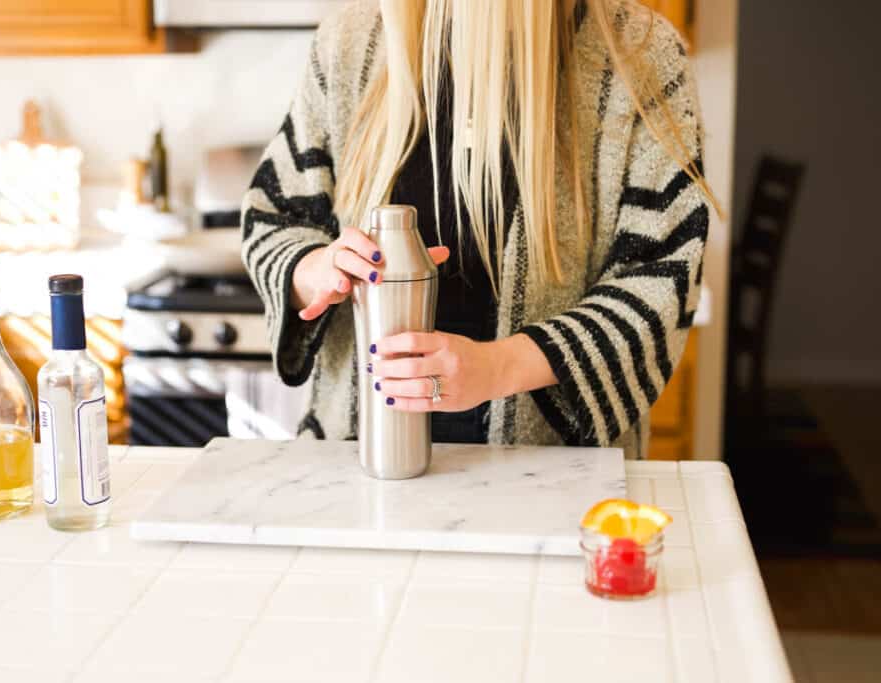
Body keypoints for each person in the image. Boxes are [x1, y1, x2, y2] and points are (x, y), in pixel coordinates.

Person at [241, 0, 718, 459]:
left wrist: (497, 368)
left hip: (555, 487)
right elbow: (274, 219)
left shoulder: (640, 54)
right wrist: (318, 269)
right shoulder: (347, 43)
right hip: (355, 469)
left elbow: (661, 280)